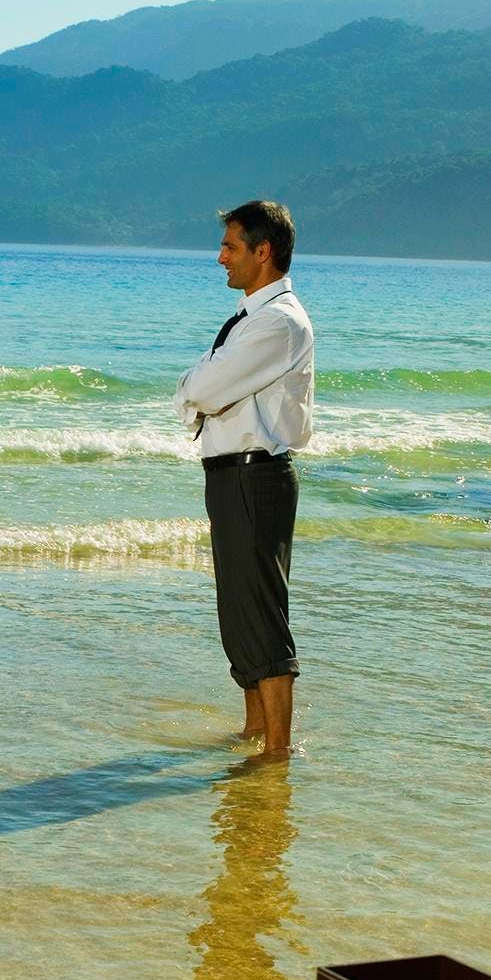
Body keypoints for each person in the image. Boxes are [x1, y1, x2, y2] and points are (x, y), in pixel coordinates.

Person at [174, 201, 314, 757]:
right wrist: (197, 385)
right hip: (234, 475)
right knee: (238, 614)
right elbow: (205, 386)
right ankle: (255, 733)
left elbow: (203, 389)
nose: (220, 257)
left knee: (260, 611)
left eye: (231, 246)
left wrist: (192, 385)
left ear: (264, 252)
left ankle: (276, 750)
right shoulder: (254, 318)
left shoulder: (278, 323)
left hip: (256, 477)